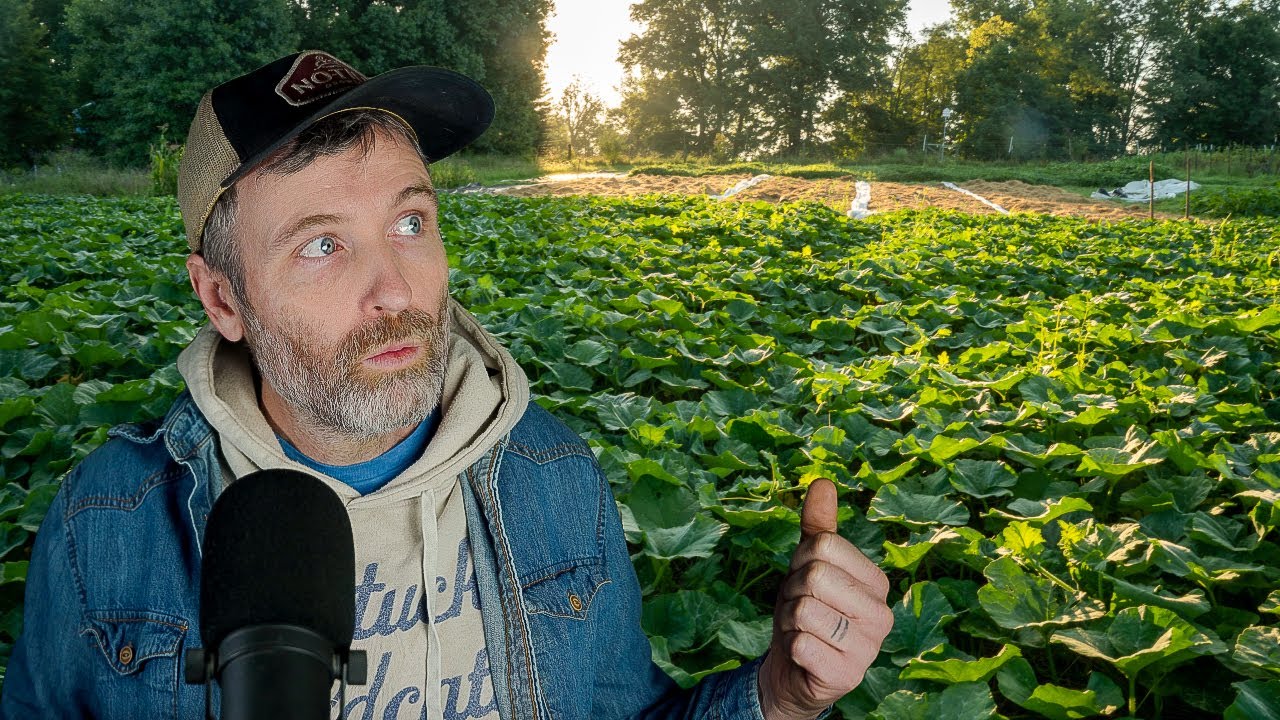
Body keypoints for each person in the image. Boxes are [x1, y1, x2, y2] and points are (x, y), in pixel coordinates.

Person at [0, 51, 891, 719]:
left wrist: (779, 696)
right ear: (223, 298)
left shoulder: (551, 472)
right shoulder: (102, 525)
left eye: (410, 219)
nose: (397, 290)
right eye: (321, 243)